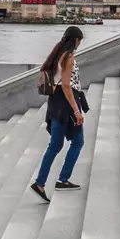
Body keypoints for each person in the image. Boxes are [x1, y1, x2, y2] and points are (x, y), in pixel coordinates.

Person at [30, 26, 86, 202]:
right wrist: (77, 111)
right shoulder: (68, 56)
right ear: (75, 40)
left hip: (56, 103)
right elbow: (67, 86)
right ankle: (60, 180)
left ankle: (43, 182)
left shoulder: (58, 52)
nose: (79, 44)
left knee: (56, 145)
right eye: (79, 40)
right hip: (66, 104)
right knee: (77, 141)